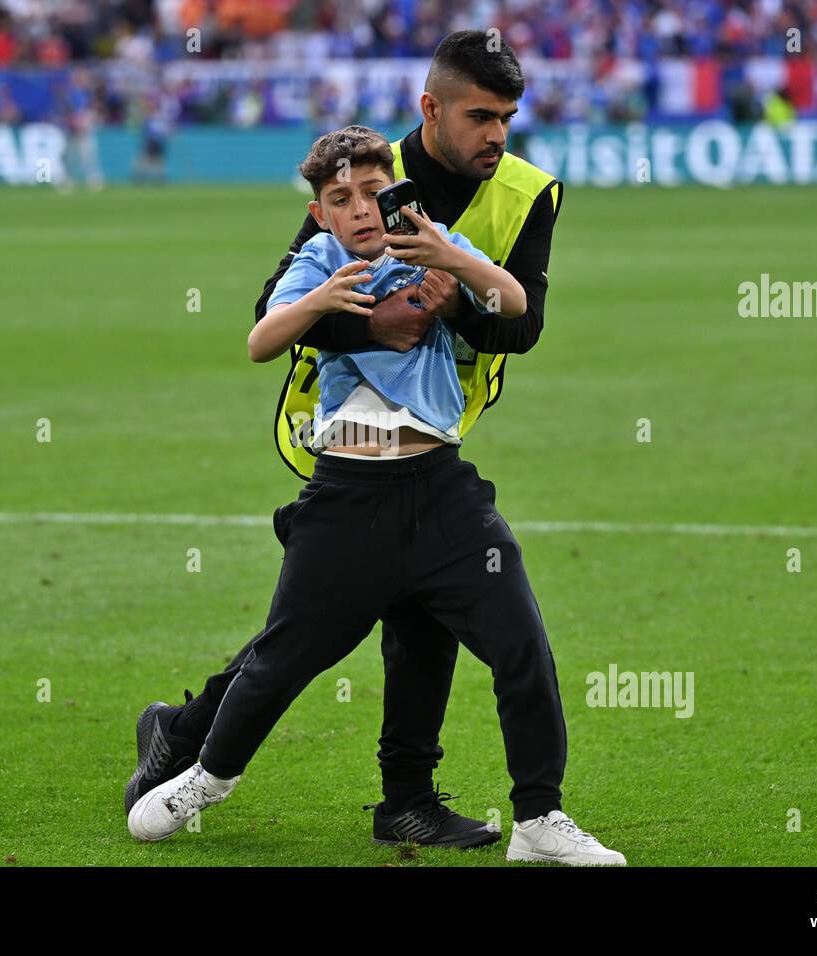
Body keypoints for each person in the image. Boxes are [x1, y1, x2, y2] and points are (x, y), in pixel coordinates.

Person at [125, 31, 616, 859]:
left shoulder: (529, 192)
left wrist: (450, 295)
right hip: (342, 443)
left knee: (421, 613)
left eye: (509, 118)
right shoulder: (359, 175)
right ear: (431, 111)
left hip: (437, 444)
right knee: (306, 635)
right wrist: (374, 325)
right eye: (481, 117)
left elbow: (521, 325)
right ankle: (198, 745)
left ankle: (426, 802)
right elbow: (268, 317)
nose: (498, 135)